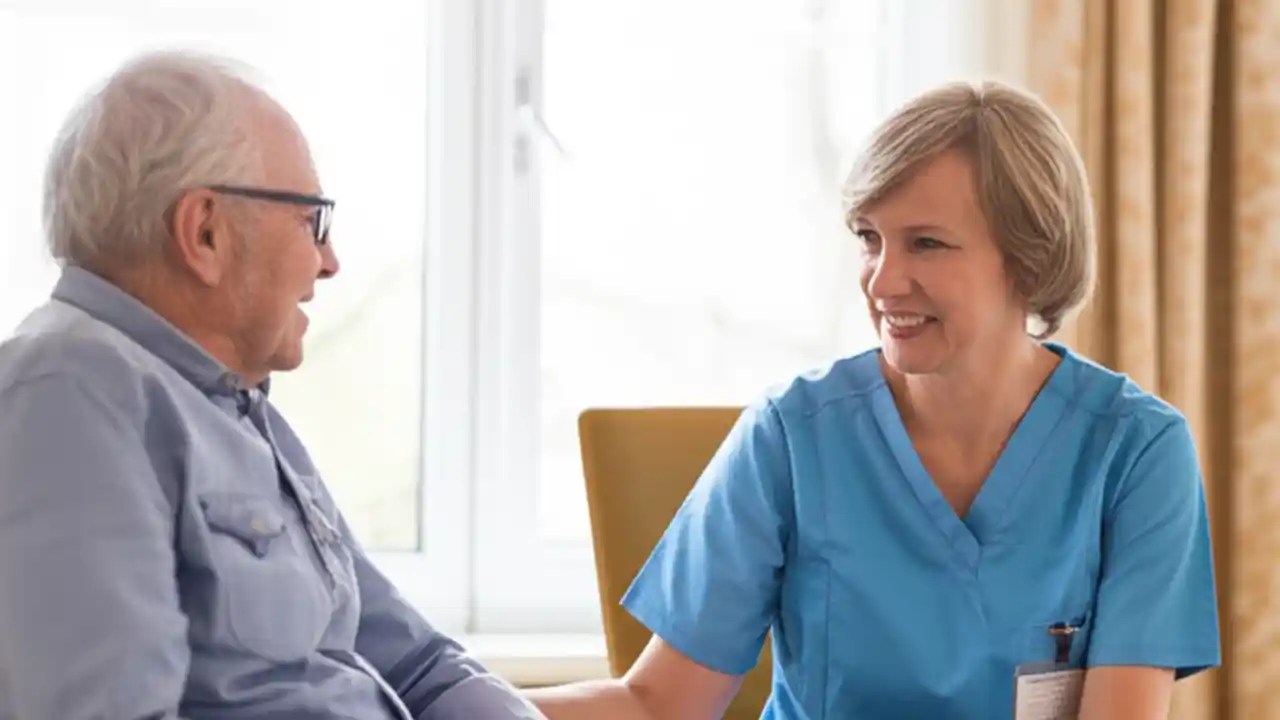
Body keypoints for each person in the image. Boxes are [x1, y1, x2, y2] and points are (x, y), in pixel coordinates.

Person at [526, 80, 1221, 719]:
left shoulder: (1135, 453)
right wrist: (440, 699)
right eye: (868, 239)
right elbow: (656, 705)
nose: (883, 282)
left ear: (1028, 257)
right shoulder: (791, 436)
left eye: (926, 244)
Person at [0, 51, 544, 720]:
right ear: (204, 231)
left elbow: (416, 665)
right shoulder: (68, 390)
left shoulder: (237, 410)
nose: (330, 260)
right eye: (310, 220)